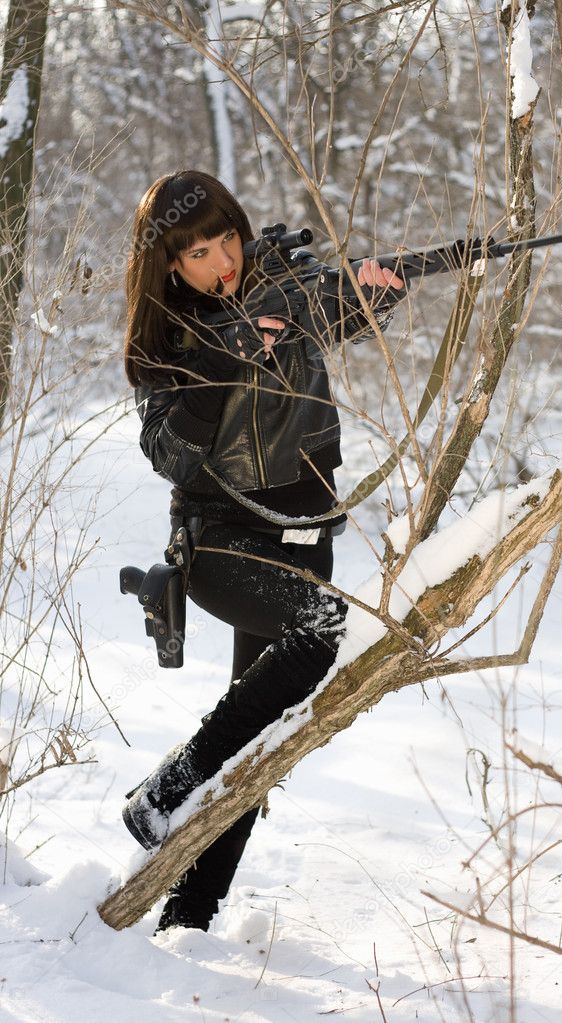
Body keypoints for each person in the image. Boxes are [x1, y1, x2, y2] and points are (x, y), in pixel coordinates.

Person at [121, 169, 407, 933]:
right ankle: (171, 785)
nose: (223, 261)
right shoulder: (169, 340)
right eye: (197, 253)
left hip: (308, 542)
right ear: (169, 266)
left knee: (256, 739)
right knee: (327, 627)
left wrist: (377, 294)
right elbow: (169, 451)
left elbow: (341, 310)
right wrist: (224, 359)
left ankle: (188, 916)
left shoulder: (286, 287)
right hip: (221, 545)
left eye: (227, 239)